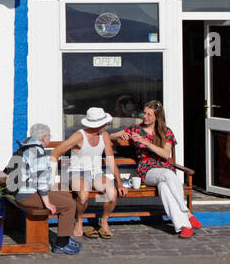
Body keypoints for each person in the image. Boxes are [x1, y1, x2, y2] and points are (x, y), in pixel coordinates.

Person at [112, 100, 201, 238]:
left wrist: (145, 143)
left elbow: (166, 154)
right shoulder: (136, 129)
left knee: (164, 186)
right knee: (167, 174)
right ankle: (186, 211)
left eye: (149, 114)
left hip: (164, 169)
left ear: (157, 117)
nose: (145, 117)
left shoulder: (166, 132)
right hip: (147, 171)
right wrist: (118, 135)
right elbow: (109, 136)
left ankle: (183, 226)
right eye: (144, 113)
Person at [10, 123, 83, 254]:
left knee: (66, 196)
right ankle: (61, 244)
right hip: (27, 194)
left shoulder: (27, 146)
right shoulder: (37, 151)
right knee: (69, 204)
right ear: (44, 138)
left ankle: (66, 235)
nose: (49, 139)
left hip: (22, 191)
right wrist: (47, 202)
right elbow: (41, 180)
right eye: (49, 136)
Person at [51, 107, 121, 239]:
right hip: (78, 172)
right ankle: (78, 221)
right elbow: (56, 151)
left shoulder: (104, 135)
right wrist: (52, 178)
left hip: (97, 174)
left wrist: (120, 183)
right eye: (104, 122)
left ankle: (104, 220)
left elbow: (111, 160)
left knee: (112, 193)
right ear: (97, 124)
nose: (106, 125)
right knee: (83, 195)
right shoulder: (79, 136)